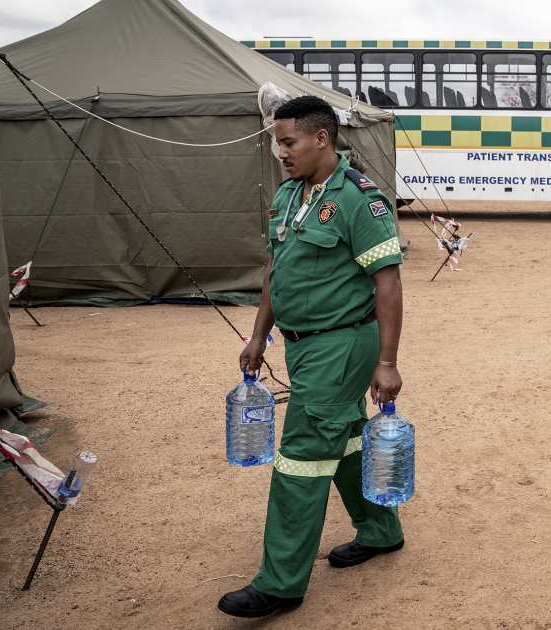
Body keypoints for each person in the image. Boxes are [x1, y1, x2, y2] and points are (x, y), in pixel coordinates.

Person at [218, 96, 406, 618]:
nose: (280, 152)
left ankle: (280, 584)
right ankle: (381, 531)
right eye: (278, 143)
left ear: (322, 138)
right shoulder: (289, 196)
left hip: (341, 344)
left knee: (300, 458)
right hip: (302, 347)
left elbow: (387, 283)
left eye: (288, 142)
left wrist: (386, 362)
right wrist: (260, 337)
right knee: (344, 440)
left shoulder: (359, 200)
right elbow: (274, 272)